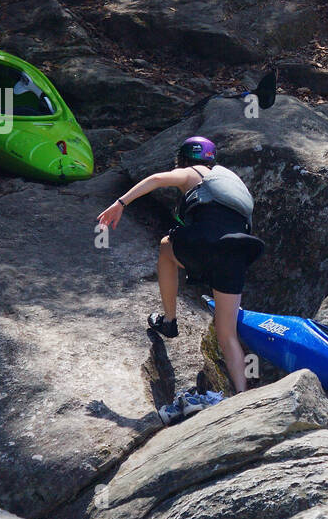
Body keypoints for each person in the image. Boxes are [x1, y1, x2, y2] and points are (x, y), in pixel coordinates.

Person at [97, 136, 264, 393]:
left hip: (205, 242)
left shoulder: (191, 172)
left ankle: (169, 320)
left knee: (166, 247)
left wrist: (120, 204)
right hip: (238, 251)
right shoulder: (229, 178)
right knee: (227, 334)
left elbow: (156, 180)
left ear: (184, 159)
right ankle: (243, 394)